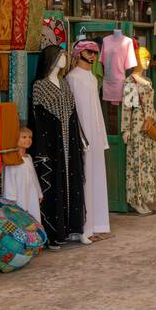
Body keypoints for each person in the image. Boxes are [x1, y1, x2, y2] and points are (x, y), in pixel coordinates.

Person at [28, 45, 85, 249]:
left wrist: (79, 140)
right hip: (51, 145)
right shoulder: (39, 86)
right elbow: (38, 120)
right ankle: (54, 233)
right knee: (54, 184)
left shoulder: (64, 83)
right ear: (51, 59)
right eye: (60, 56)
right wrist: (41, 149)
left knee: (71, 182)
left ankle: (71, 228)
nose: (64, 59)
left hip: (69, 142)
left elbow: (73, 114)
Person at [67, 39, 110, 242]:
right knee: (85, 179)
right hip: (83, 134)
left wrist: (100, 134)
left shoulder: (91, 78)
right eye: (89, 52)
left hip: (95, 132)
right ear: (79, 53)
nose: (93, 55)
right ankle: (84, 227)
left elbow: (96, 110)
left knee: (96, 177)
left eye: (95, 52)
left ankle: (97, 224)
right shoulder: (73, 78)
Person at [120, 45, 156, 215]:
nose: (147, 62)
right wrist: (126, 129)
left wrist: (155, 122)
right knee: (138, 162)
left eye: (148, 59)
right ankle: (136, 199)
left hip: (150, 125)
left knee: (149, 162)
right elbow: (127, 107)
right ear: (136, 60)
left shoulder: (148, 81)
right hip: (137, 126)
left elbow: (151, 104)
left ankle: (146, 197)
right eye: (145, 59)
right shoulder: (131, 81)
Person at [2, 125, 42, 224]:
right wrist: (11, 199)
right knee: (20, 220)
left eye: (30, 137)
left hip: (31, 193)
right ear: (16, 139)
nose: (28, 140)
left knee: (33, 217)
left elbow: (34, 177)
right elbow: (9, 180)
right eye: (24, 137)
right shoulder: (12, 160)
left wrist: (38, 192)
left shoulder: (28, 157)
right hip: (19, 196)